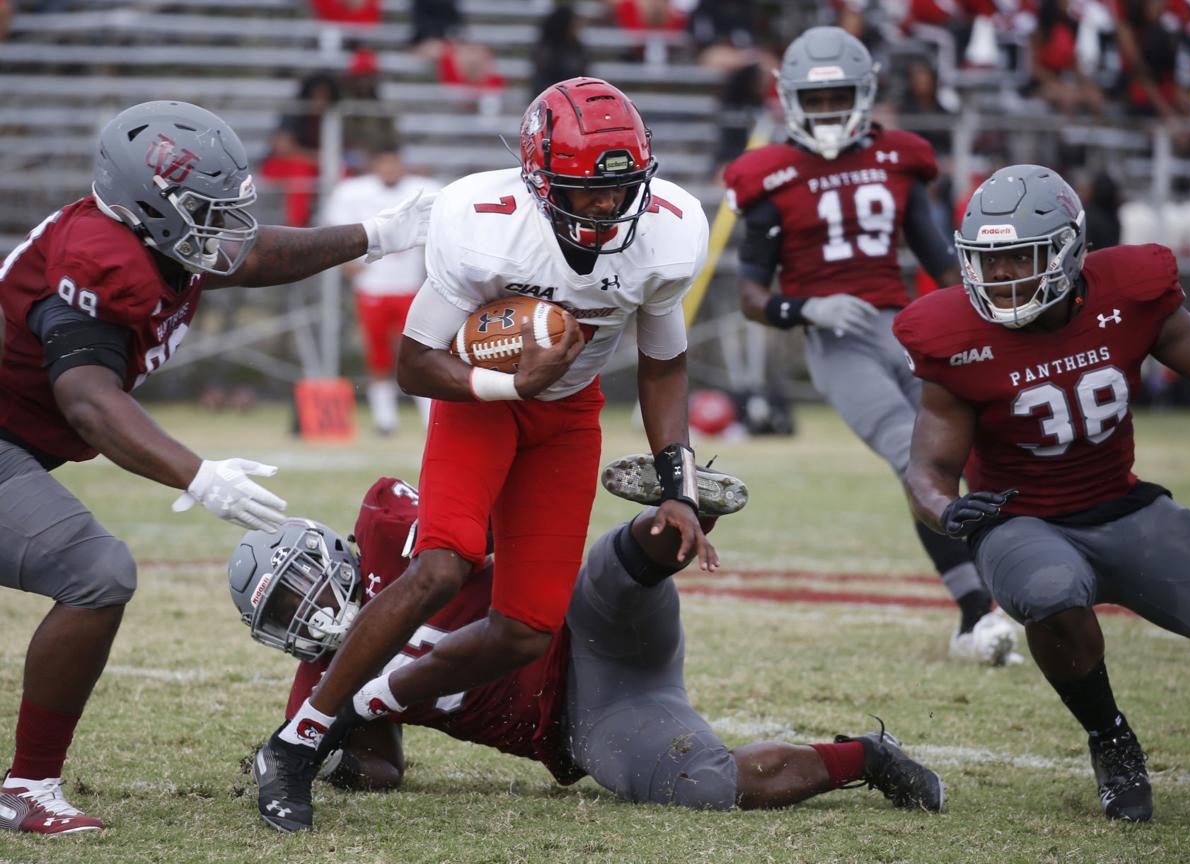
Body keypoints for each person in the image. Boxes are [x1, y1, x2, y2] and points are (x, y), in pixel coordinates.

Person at [251, 76, 719, 832]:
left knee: (527, 629)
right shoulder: (483, 222)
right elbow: (413, 362)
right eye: (585, 192)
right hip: (480, 404)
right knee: (442, 564)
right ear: (537, 179)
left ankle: (366, 705)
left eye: (621, 190)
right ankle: (297, 741)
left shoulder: (668, 232)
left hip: (569, 416)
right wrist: (509, 382)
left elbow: (664, 362)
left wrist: (681, 484)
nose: (607, 208)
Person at [0, 99, 433, 835]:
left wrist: (375, 235)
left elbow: (254, 254)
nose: (224, 226)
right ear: (149, 207)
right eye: (208, 209)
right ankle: (27, 787)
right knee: (98, 573)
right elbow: (87, 400)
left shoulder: (156, 239)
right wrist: (195, 475)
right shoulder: (98, 258)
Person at [231, 474, 945, 827]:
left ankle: (680, 507)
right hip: (589, 716)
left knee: (613, 572)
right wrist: (342, 757)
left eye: (303, 587)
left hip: (577, 619)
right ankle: (869, 757)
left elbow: (485, 526)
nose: (313, 611)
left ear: (333, 554)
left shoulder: (390, 520)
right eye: (288, 613)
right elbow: (384, 767)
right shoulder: (321, 685)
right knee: (703, 787)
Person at [893, 163, 1190, 822]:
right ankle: (1110, 739)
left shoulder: (1133, 290)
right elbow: (926, 469)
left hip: (1126, 507)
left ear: (1068, 248)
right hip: (1021, 520)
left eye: (1019, 258)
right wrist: (949, 510)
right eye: (988, 261)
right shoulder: (952, 335)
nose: (1001, 277)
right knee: (1052, 594)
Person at [722, 26, 1019, 666]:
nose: (827, 113)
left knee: (975, 445)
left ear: (864, 94)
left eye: (838, 99)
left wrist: (980, 327)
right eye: (815, 100)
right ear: (789, 99)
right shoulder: (767, 176)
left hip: (910, 329)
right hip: (837, 340)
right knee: (913, 455)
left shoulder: (898, 158)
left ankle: (998, 592)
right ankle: (977, 611)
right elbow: (751, 295)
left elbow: (942, 261)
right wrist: (806, 307)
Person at [322, 140, 441, 433]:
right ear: (375, 166)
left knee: (420, 351)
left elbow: (445, 230)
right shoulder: (354, 192)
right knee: (378, 355)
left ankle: (430, 417)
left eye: (394, 164)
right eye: (384, 164)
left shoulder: (425, 188)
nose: (389, 170)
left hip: (413, 286)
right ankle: (384, 420)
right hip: (373, 285)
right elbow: (336, 231)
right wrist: (346, 262)